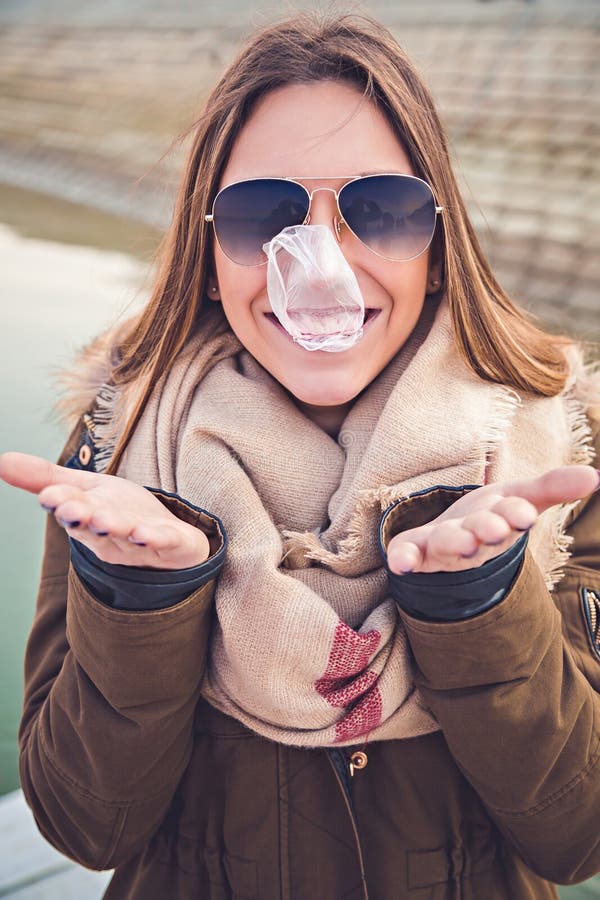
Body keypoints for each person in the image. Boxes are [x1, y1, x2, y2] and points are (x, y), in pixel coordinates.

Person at [1, 12, 600, 900]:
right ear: (208, 256)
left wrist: (476, 603)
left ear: (437, 249)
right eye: (265, 215)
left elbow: (578, 834)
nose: (320, 265)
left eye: (380, 211)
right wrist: (140, 597)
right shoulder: (118, 447)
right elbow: (84, 825)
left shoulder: (554, 449)